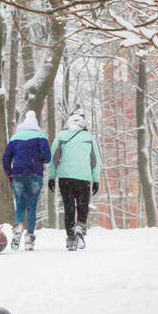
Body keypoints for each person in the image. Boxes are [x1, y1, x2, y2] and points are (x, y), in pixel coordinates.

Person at [48, 107, 100, 251]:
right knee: (83, 206)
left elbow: (54, 159)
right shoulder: (89, 137)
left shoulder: (61, 136)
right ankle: (80, 226)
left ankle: (71, 238)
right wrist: (96, 180)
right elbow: (95, 161)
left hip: (65, 178)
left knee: (69, 207)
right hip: (83, 178)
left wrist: (51, 177)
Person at [2, 109, 51, 250]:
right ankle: (29, 238)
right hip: (35, 174)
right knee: (32, 206)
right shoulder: (41, 136)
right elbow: (47, 157)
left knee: (20, 205)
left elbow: (6, 158)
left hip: (18, 174)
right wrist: (38, 160)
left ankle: (17, 228)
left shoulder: (15, 137)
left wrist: (10, 173)